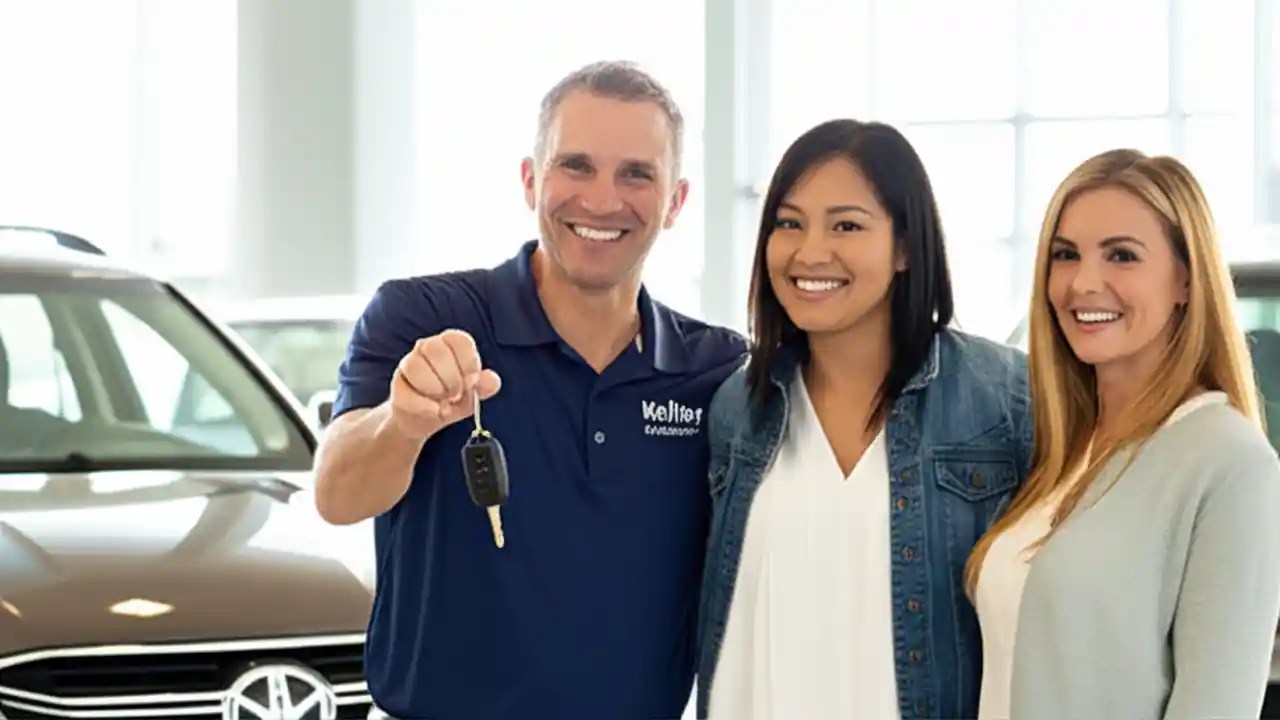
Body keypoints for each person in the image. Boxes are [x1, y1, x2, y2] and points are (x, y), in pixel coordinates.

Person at [314, 60, 746, 720]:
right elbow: (339, 495)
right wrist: (403, 423)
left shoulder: (715, 372)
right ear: (530, 179)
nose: (602, 200)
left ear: (676, 201)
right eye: (576, 166)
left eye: (636, 174)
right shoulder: (423, 318)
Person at [694, 119, 1034, 720]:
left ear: (905, 247)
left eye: (846, 225)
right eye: (788, 222)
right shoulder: (738, 408)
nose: (809, 251)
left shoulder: (1005, 400)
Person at [967, 149, 1280, 720]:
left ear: (1187, 279)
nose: (1084, 283)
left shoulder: (1229, 462)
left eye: (1122, 255)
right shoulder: (1062, 449)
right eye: (1066, 255)